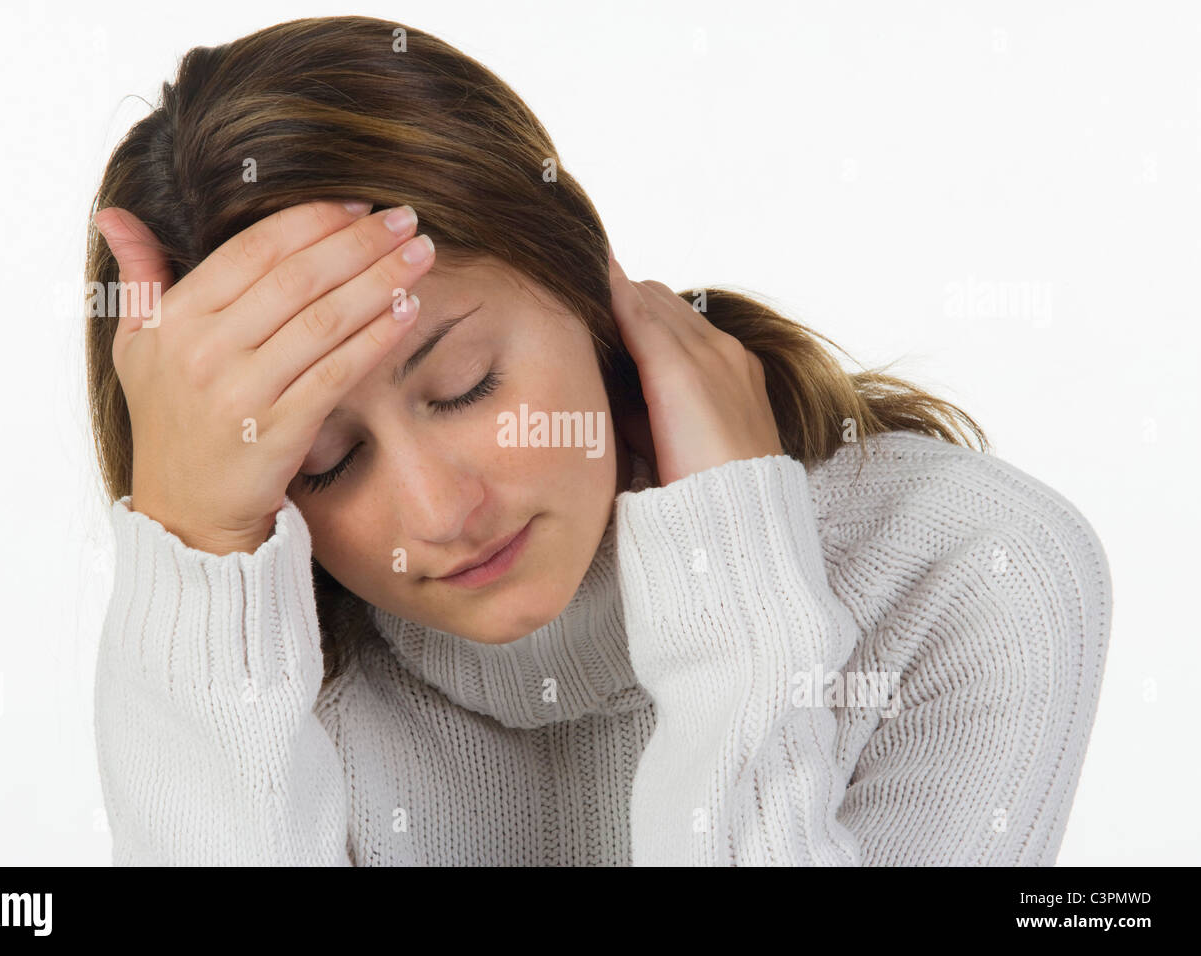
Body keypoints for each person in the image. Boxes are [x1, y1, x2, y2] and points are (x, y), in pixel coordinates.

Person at [86, 15, 1112, 865]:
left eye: (463, 384)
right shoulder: (265, 662)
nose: (440, 513)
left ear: (581, 274)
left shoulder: (967, 570)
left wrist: (730, 581)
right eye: (324, 463)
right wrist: (195, 557)